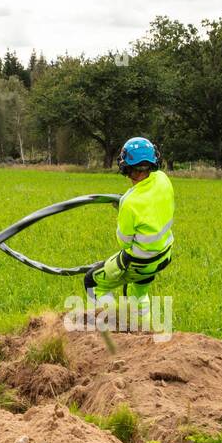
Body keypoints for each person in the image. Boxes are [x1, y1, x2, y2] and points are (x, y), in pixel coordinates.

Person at [84, 136, 175, 323]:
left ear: (126, 167)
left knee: (93, 280)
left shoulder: (129, 202)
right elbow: (150, 205)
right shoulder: (163, 180)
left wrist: (123, 206)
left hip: (139, 262)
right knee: (137, 292)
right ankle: (146, 334)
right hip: (164, 255)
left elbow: (124, 242)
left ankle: (111, 328)